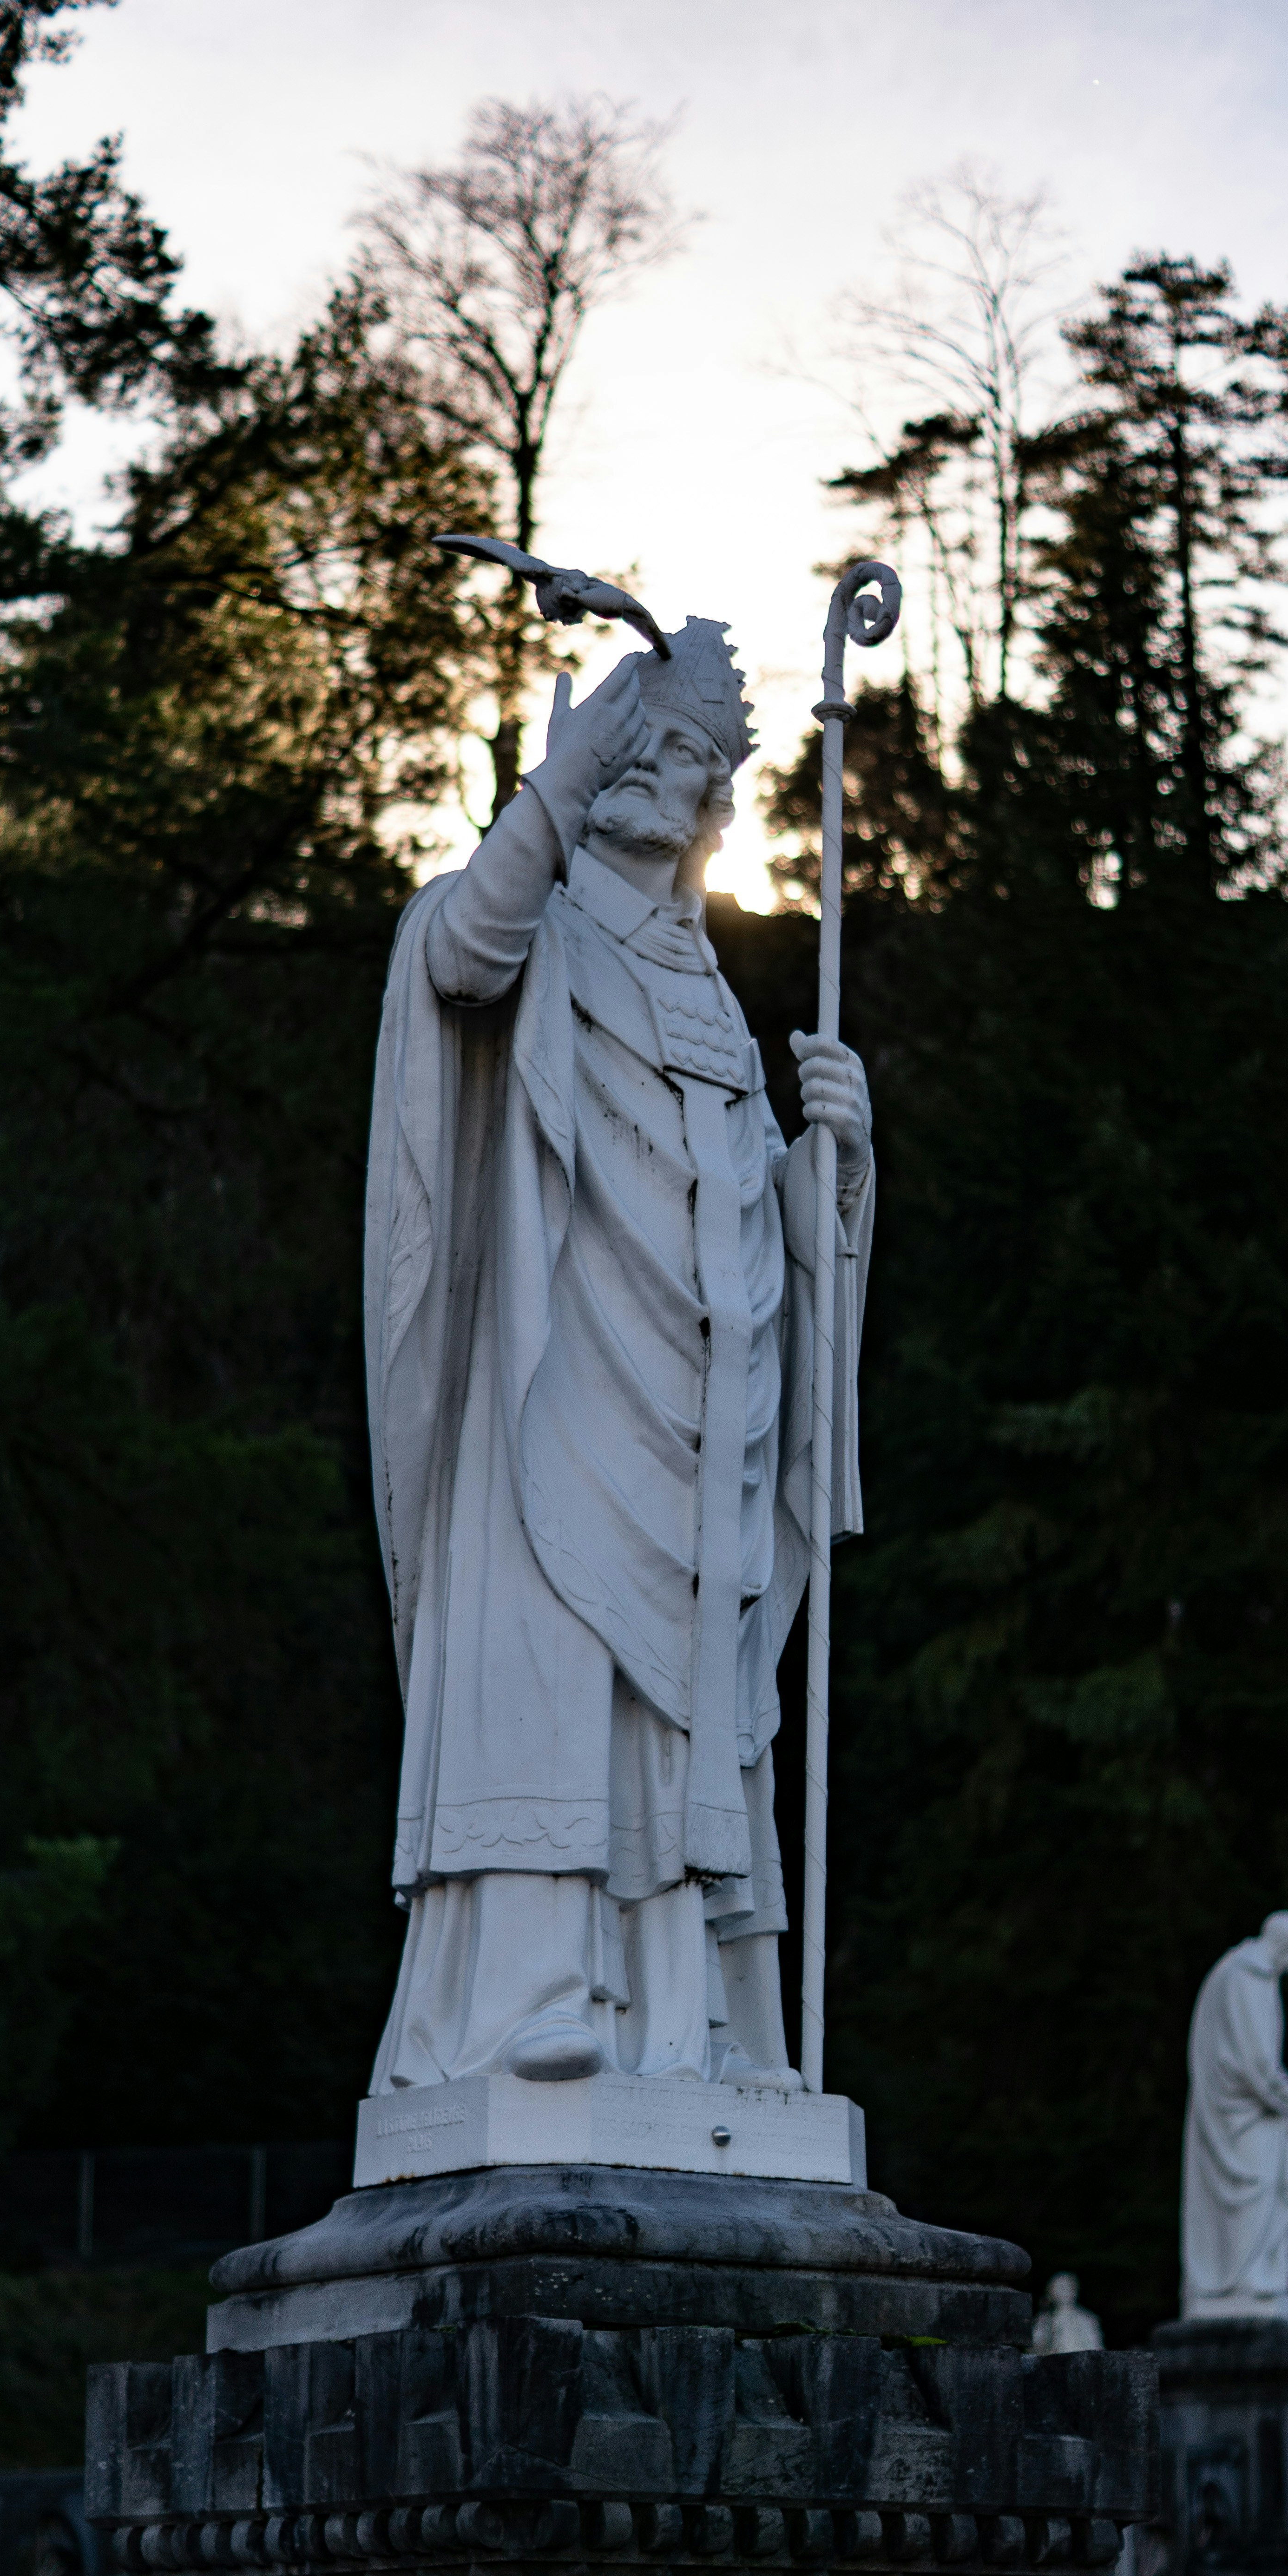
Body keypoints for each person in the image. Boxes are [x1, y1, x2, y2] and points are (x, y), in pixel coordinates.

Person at [363, 623, 873, 2093]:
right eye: (647, 746)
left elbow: (753, 1220)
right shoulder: (534, 920)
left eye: (700, 759)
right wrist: (553, 777)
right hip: (555, 1389)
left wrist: (832, 1172)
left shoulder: (709, 986)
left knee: (693, 1708)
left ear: (723, 807)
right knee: (558, 1664)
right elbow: (461, 954)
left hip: (703, 1417)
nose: (674, 774)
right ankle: (537, 1988)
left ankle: (697, 2023)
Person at [1180, 1911, 1288, 2319]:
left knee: (1273, 2190)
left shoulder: (1232, 1971)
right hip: (1243, 2113)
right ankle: (1246, 2284)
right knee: (1256, 2189)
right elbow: (1255, 2062)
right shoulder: (1249, 1975)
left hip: (1240, 2110)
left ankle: (1258, 2281)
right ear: (1285, 1947)